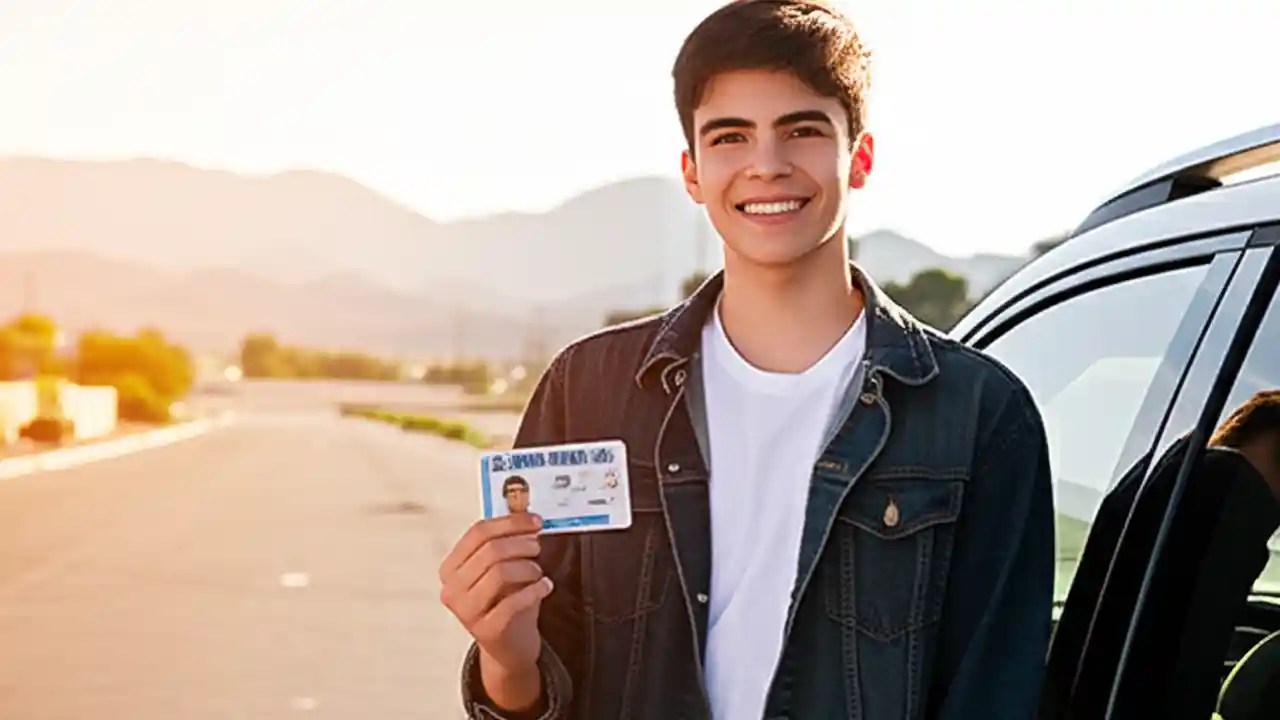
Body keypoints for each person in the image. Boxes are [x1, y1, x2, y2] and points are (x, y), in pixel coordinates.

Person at [438, 2, 1055, 718]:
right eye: (730, 137)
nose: (767, 165)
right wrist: (505, 658)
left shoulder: (978, 414)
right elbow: (535, 690)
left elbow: (994, 693)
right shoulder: (589, 390)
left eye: (802, 130)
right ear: (692, 172)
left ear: (859, 158)